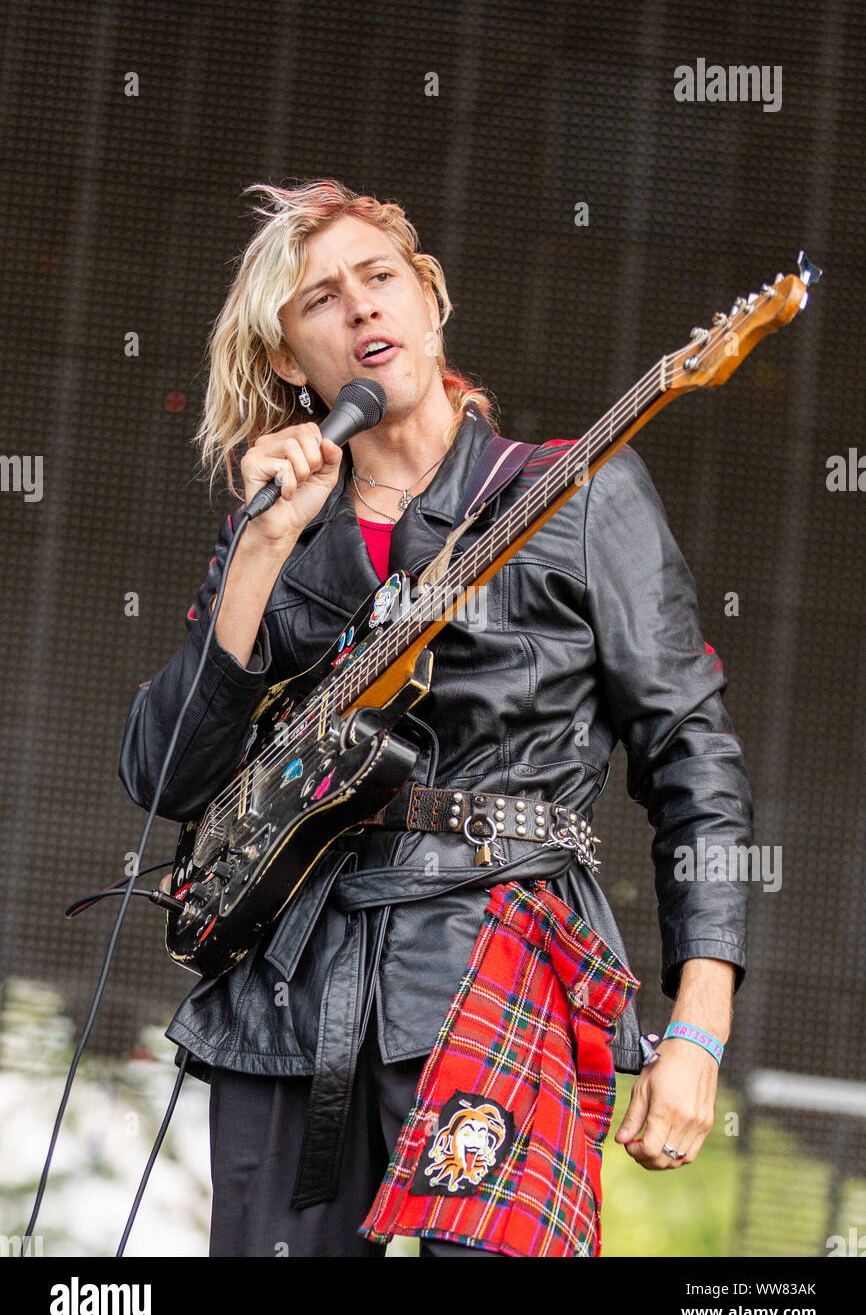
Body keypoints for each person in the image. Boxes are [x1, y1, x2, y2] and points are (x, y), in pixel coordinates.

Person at [118, 178, 753, 1258]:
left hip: (495, 952)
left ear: (429, 300)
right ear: (284, 358)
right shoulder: (272, 534)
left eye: (381, 279)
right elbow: (167, 778)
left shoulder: (574, 490)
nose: (362, 310)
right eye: (321, 299)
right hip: (288, 990)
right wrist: (261, 553)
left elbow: (692, 759)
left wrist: (696, 1026)